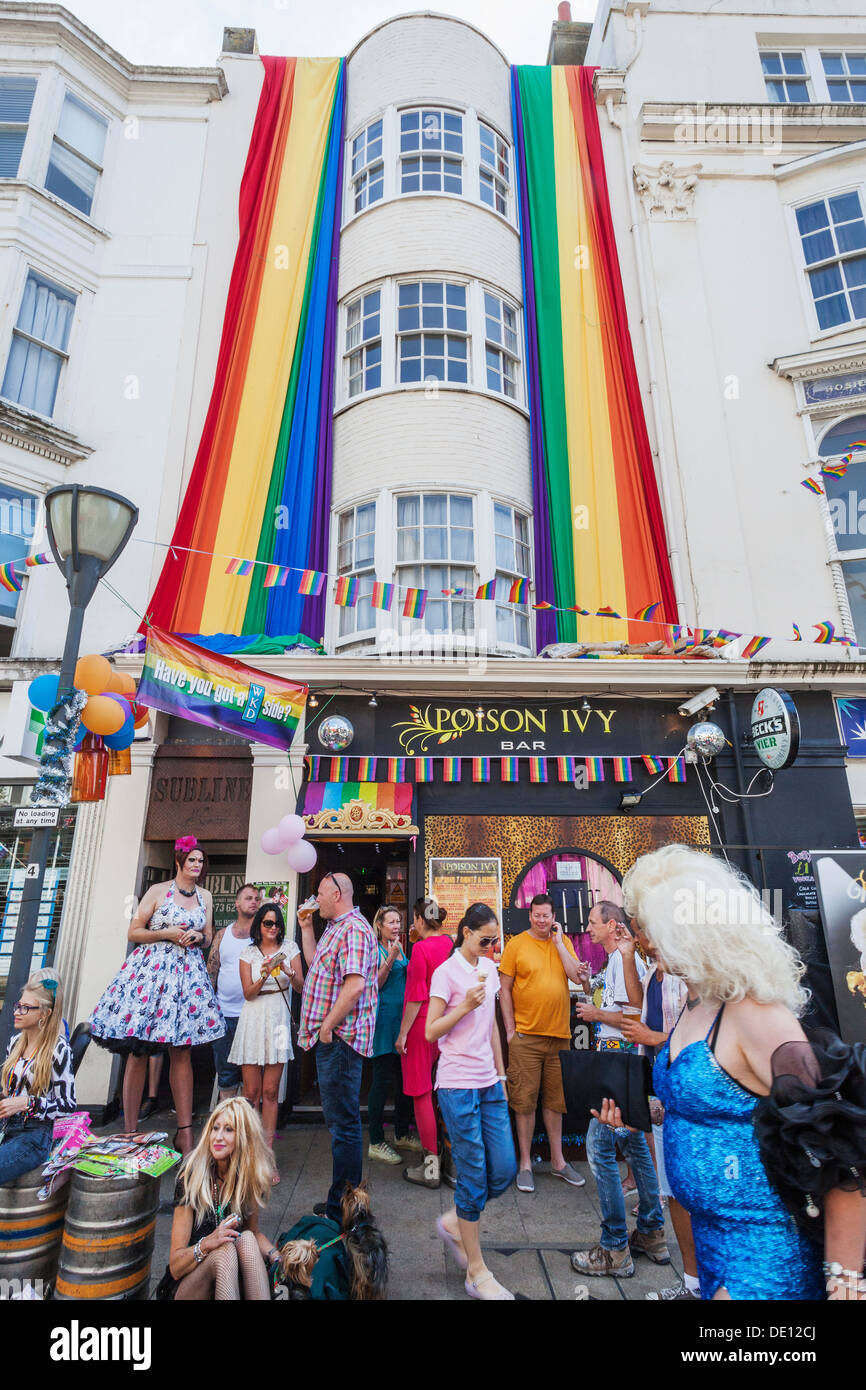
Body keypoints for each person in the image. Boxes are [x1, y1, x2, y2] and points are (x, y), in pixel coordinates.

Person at [621, 844, 866, 1300]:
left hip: (766, 1258)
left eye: (651, 929)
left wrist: (846, 1279)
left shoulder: (754, 1012)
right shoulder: (698, 1003)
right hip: (714, 1246)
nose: (644, 941)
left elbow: (841, 1145)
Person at [89, 835, 223, 1155]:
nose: (197, 865)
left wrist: (197, 938)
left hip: (186, 976)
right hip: (151, 975)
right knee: (138, 1049)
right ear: (179, 861)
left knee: (182, 1052)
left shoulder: (205, 896)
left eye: (201, 861)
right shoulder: (157, 891)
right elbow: (133, 931)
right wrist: (166, 933)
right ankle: (130, 1130)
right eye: (192, 859)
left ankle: (186, 1132)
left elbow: (207, 937)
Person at [570, 900, 667, 1278]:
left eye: (593, 922)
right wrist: (586, 985)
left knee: (598, 1146)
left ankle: (614, 1247)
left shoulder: (629, 961)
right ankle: (652, 1232)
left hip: (619, 1064)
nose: (589, 928)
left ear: (612, 925)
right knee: (634, 1144)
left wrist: (595, 1015)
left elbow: (632, 1015)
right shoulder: (614, 961)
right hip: (618, 1064)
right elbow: (611, 1001)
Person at [427, 903, 517, 1300]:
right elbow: (431, 1031)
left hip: (489, 1083)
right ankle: (476, 1272)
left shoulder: (490, 969)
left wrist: (501, 1074)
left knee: (504, 1169)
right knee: (473, 1173)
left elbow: (493, 1027)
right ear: (466, 932)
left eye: (496, 940)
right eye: (486, 940)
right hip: (457, 1085)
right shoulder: (445, 973)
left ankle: (454, 1221)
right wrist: (464, 1005)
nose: (492, 946)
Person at [616, 919, 699, 1301]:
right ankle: (692, 1281)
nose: (639, 938)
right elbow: (637, 1003)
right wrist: (629, 957)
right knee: (673, 1190)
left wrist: (651, 1038)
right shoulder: (656, 971)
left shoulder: (687, 978)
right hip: (658, 1088)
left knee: (685, 1191)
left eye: (641, 932)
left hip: (683, 1094)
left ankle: (697, 1281)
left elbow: (701, 1040)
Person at [297, 871, 378, 1223]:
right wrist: (305, 927)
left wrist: (328, 1027)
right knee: (340, 1125)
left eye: (319, 893)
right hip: (332, 1040)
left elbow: (355, 985)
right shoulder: (336, 927)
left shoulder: (355, 929)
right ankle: (339, 1201)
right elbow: (317, 965)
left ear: (336, 893)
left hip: (341, 1040)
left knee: (344, 1127)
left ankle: (345, 1209)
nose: (316, 899)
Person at [499, 893, 586, 1192]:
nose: (541, 920)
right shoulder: (516, 945)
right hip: (526, 1036)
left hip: (559, 1036)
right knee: (524, 1103)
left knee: (555, 1103)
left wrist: (560, 943)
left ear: (553, 917)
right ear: (530, 915)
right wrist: (510, 1030)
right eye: (536, 914)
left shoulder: (562, 942)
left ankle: (559, 1162)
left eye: (546, 915)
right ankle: (525, 1164)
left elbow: (576, 976)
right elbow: (505, 989)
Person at [157, 1096, 278, 1300]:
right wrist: (208, 1243)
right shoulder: (191, 1177)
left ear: (245, 1137)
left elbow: (253, 1233)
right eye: (215, 1128)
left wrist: (277, 1256)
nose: (218, 1137)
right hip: (188, 1285)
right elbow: (176, 1267)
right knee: (224, 1251)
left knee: (246, 1239)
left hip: (229, 1281)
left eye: (229, 1130)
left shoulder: (248, 1178)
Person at [229, 902, 302, 1177]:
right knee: (251, 1093)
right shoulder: (248, 952)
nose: (273, 928)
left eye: (276, 924)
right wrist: (264, 974)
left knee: (271, 1091)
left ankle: (268, 1154)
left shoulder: (290, 948)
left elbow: (300, 986)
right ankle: (249, 1154)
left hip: (278, 1018)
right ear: (258, 925)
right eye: (267, 923)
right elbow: (248, 993)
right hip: (254, 1017)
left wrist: (286, 970)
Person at [396, 897, 452, 1188]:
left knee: (421, 1095)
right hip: (447, 1026)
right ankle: (447, 1160)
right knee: (441, 1094)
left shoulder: (420, 949)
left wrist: (402, 1033)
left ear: (419, 919)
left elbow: (417, 996)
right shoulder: (451, 945)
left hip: (421, 1027)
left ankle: (430, 1169)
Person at [0, 968, 76, 1185]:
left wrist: (27, 1103)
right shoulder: (15, 1043)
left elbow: (68, 1105)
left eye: (25, 1008)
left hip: (36, 1136)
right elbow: (9, 1093)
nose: (17, 1012)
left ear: (44, 1013)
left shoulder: (58, 1048)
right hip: (7, 1127)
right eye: (18, 1005)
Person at [368, 906, 416, 1164]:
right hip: (384, 1022)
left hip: (402, 1023)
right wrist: (391, 958)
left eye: (398, 921)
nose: (396, 926)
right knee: (381, 1082)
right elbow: (374, 984)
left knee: (402, 1080)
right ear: (380, 925)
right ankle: (376, 1141)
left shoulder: (399, 947)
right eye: (391, 922)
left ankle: (401, 1133)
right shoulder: (377, 949)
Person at [207, 883, 261, 1101]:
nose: (254, 902)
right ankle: (228, 1128)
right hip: (225, 1015)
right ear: (237, 904)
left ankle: (248, 1130)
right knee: (227, 1076)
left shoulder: (262, 937)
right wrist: (209, 1012)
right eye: (249, 898)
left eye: (257, 898)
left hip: (253, 1015)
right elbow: (212, 973)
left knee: (253, 1077)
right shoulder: (222, 935)